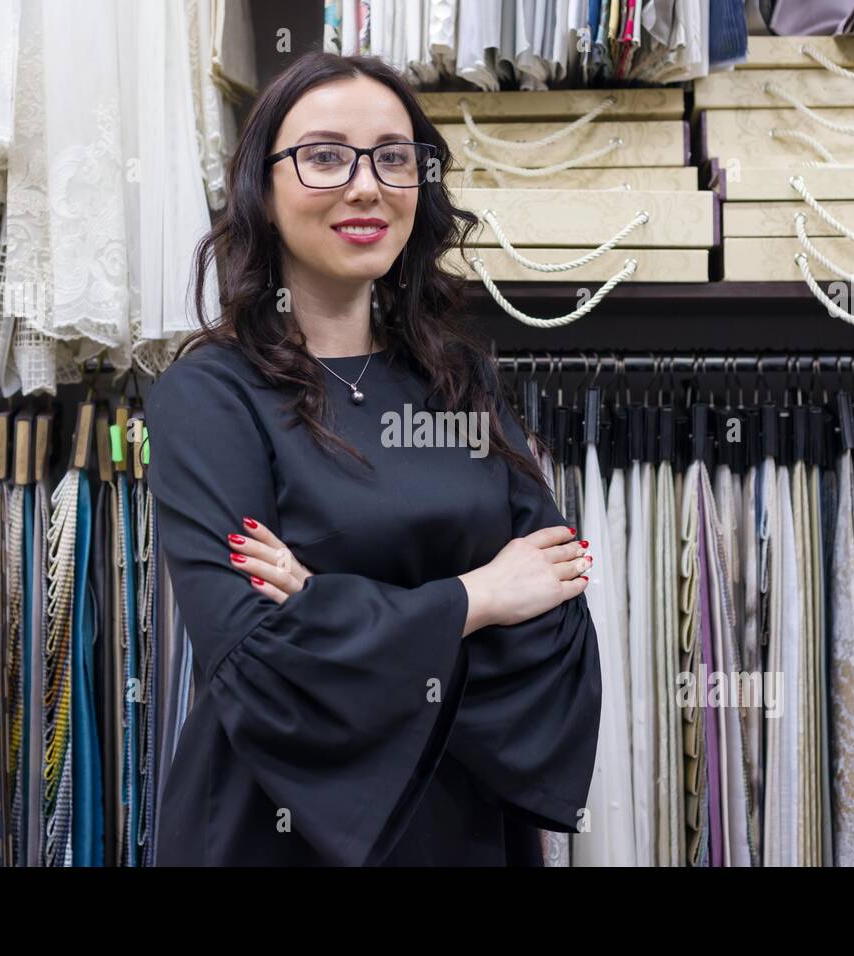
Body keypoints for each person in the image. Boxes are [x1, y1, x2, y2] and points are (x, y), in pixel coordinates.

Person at [144, 51, 602, 866]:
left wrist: (328, 608)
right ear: (262, 185)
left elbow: (557, 629)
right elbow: (259, 663)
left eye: (395, 157)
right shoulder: (209, 395)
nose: (367, 186)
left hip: (464, 830)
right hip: (271, 831)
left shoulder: (459, 377)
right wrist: (475, 597)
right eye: (325, 156)